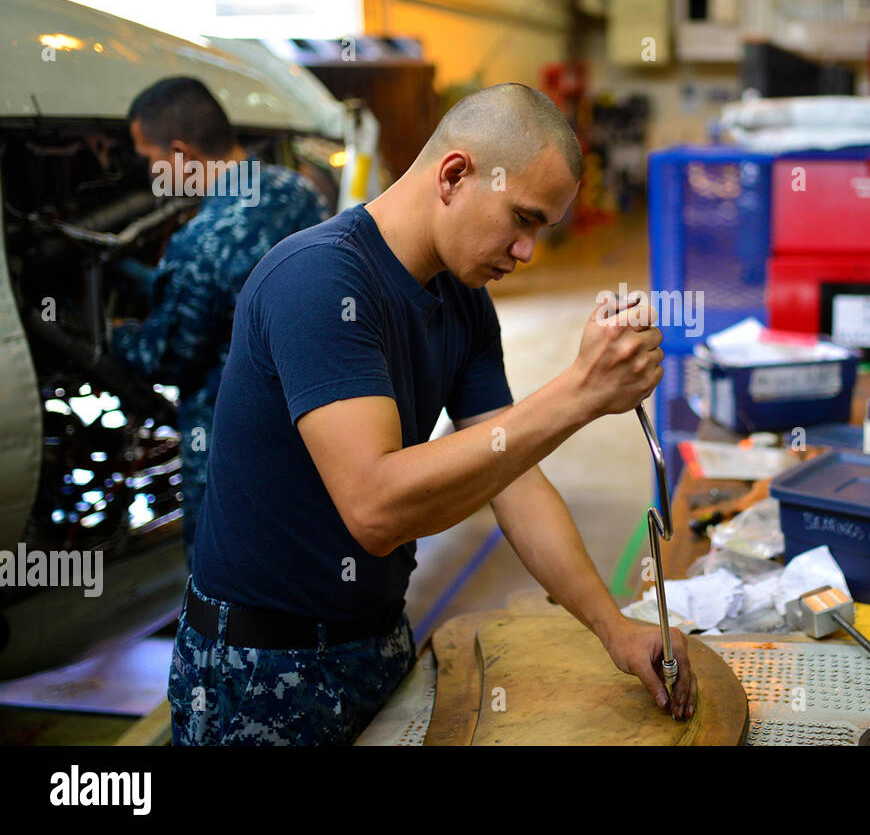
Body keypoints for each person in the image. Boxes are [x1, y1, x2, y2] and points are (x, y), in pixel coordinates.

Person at [171, 82, 696, 745]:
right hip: (262, 667)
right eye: (524, 218)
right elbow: (376, 507)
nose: (528, 249)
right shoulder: (318, 282)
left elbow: (512, 476)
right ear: (453, 175)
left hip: (378, 641)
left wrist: (614, 626)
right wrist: (582, 391)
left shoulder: (462, 299)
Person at [114, 76, 329, 567]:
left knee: (223, 577)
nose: (151, 172)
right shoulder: (299, 194)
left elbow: (166, 358)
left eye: (150, 158)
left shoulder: (199, 242)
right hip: (312, 428)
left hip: (228, 448)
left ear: (180, 154)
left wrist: (114, 335)